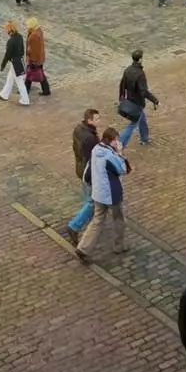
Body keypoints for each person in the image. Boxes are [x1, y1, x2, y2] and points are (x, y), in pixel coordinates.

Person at [75, 127, 129, 262]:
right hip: (111, 194)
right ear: (112, 141)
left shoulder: (96, 150)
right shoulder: (109, 156)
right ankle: (119, 245)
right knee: (119, 219)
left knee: (97, 220)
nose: (118, 142)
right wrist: (120, 153)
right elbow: (123, 169)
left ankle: (83, 247)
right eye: (116, 140)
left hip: (98, 192)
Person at [63, 108, 102, 242]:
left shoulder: (79, 129)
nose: (99, 121)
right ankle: (75, 226)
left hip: (81, 168)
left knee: (89, 199)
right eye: (97, 119)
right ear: (89, 120)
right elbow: (95, 158)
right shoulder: (90, 138)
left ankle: (89, 222)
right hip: (89, 172)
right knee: (92, 201)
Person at [118, 49, 159, 145]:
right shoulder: (140, 74)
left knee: (142, 119)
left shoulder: (127, 70)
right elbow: (144, 91)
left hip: (130, 99)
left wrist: (121, 97)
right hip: (137, 103)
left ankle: (144, 139)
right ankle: (119, 143)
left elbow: (122, 84)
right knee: (133, 125)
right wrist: (155, 100)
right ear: (140, 59)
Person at [0, 19, 30, 106]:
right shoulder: (20, 37)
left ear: (9, 30)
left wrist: (3, 65)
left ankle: (25, 100)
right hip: (19, 60)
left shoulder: (11, 41)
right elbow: (23, 51)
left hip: (15, 62)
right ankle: (4, 94)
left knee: (19, 81)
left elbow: (7, 54)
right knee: (10, 79)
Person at [24, 17, 50, 97]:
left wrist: (31, 59)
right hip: (40, 58)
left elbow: (33, 50)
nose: (27, 27)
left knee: (29, 75)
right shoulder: (39, 31)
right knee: (40, 74)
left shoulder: (34, 36)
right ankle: (46, 90)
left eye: (28, 25)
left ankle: (25, 91)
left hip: (35, 59)